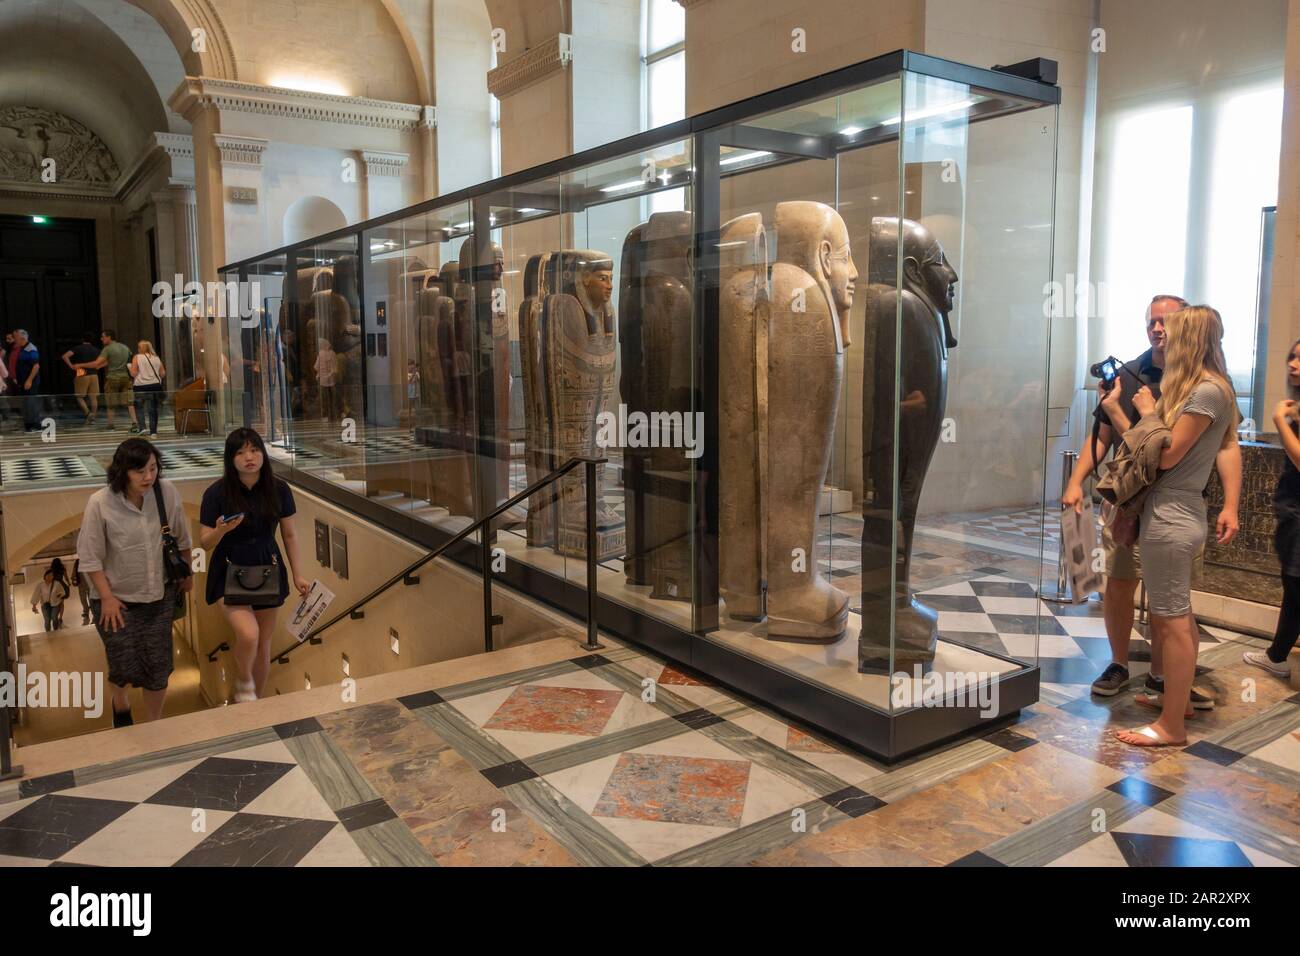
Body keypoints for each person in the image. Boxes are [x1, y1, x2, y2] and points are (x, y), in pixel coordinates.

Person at [1062, 294, 1241, 707]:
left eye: (1168, 322)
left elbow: (1205, 447)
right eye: (1152, 322)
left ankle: (1164, 680)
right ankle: (1120, 664)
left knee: (1171, 601)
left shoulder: (1200, 385)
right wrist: (1075, 481)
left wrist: (1230, 503)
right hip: (1129, 499)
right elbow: (1104, 439)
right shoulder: (1130, 373)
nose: (1159, 329)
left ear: (1188, 330)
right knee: (1120, 583)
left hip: (1173, 504)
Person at [76, 438, 194, 726]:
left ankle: (154, 723)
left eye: (153, 468)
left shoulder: (166, 492)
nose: (148, 477)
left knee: (159, 665)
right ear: (122, 471)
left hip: (159, 595)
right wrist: (106, 598)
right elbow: (89, 558)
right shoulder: (100, 503)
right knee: (123, 664)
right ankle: (120, 700)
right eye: (139, 471)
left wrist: (187, 572)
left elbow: (181, 536)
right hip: (115, 599)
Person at [199, 428, 309, 703]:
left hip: (267, 565)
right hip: (229, 567)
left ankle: (254, 705)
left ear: (263, 453)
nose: (249, 457)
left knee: (263, 645)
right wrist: (221, 530)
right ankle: (244, 680)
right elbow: (204, 542)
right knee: (249, 635)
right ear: (230, 458)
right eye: (240, 452)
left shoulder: (279, 489)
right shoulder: (216, 493)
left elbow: (289, 534)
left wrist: (298, 575)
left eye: (254, 450)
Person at [1245, 339, 1300, 680]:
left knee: (1295, 588)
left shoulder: (1289, 413)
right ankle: (1276, 656)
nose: (1293, 364)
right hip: (1293, 513)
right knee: (1294, 588)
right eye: (1292, 356)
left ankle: (1276, 656)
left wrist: (1280, 421)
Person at [73, 329, 138, 431]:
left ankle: (110, 424)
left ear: (109, 337)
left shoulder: (107, 349)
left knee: (110, 403)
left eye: (103, 337)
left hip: (112, 379)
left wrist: (79, 365)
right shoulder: (125, 347)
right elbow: (116, 361)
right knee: (130, 402)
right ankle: (134, 422)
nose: (101, 339)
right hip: (126, 378)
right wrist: (101, 366)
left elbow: (95, 363)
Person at [63, 332, 102, 424]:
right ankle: (93, 417)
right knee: (93, 397)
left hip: (81, 372)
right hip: (94, 373)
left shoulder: (78, 348)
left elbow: (65, 356)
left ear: (82, 340)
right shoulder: (96, 350)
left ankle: (88, 414)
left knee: (79, 396)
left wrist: (71, 366)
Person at [130, 340, 165, 438]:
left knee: (139, 407)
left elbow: (133, 373)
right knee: (152, 409)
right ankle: (153, 432)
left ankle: (142, 427)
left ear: (141, 348)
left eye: (138, 347)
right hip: (154, 386)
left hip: (140, 386)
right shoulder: (156, 358)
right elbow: (162, 374)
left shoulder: (137, 357)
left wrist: (130, 368)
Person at [13, 328, 42, 432]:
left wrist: (29, 380)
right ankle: (28, 426)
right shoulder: (21, 348)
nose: (14, 339)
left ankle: (36, 425)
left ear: (22, 338)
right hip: (23, 382)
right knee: (26, 404)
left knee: (31, 403)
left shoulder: (31, 349)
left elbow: (36, 366)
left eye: (15, 337)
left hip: (30, 383)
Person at [314, 338, 337, 422]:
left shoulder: (321, 354)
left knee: (326, 398)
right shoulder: (331, 353)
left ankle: (329, 415)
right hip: (327, 380)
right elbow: (317, 367)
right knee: (330, 399)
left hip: (327, 380)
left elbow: (316, 367)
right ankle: (330, 415)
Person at [48, 557, 71, 629]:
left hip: (54, 586)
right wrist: (68, 583)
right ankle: (60, 617)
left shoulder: (51, 570)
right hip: (61, 586)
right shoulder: (62, 568)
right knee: (61, 603)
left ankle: (55, 616)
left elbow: (49, 579)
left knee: (54, 602)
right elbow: (66, 577)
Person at [73, 558, 93, 625]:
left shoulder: (89, 560)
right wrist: (74, 579)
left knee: (91, 600)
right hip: (81, 584)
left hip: (90, 584)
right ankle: (86, 615)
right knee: (83, 600)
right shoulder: (78, 562)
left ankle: (93, 616)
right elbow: (74, 572)